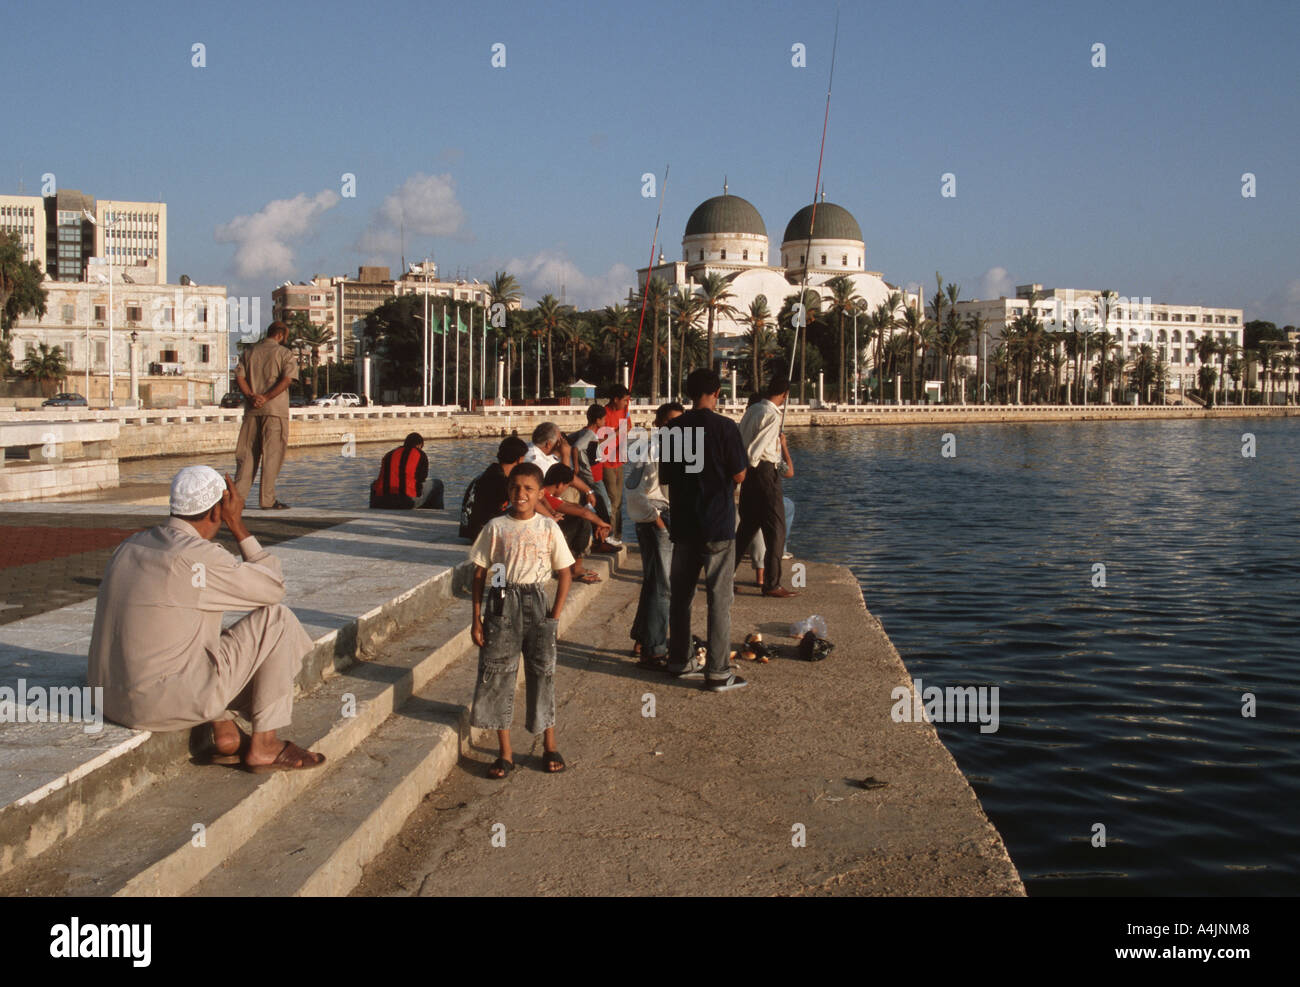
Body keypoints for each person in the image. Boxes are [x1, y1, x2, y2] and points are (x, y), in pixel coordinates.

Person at [87, 466, 324, 772]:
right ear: (216, 512)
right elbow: (273, 589)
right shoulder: (199, 556)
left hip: (106, 697)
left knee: (194, 626)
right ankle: (265, 745)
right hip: (159, 704)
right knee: (276, 621)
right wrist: (238, 525)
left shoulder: (130, 545)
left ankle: (223, 724)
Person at [469, 462, 574, 778]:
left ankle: (549, 744)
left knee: (543, 673)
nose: (521, 494)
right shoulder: (496, 527)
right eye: (515, 487)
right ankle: (505, 752)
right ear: (508, 490)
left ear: (540, 493)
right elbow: (482, 572)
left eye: (529, 488)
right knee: (498, 674)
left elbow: (565, 572)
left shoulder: (547, 528)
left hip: (538, 602)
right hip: (502, 601)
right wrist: (477, 619)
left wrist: (554, 616)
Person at [659, 368, 750, 692]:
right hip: (717, 526)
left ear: (688, 393)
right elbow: (740, 476)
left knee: (681, 597)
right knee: (719, 601)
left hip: (684, 527)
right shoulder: (726, 428)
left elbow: (666, 478)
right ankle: (717, 671)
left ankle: (679, 661)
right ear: (716, 393)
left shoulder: (671, 429)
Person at [625, 402, 683, 668]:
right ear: (659, 422)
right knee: (663, 587)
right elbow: (634, 491)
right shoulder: (649, 449)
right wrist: (658, 521)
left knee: (653, 582)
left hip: (663, 518)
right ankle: (654, 650)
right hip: (655, 519)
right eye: (670, 422)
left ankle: (643, 638)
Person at [734, 376, 798, 597]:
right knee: (776, 531)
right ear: (785, 394)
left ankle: (723, 575)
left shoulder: (752, 410)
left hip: (750, 475)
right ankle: (772, 584)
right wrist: (753, 469)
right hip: (763, 472)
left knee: (746, 530)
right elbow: (756, 449)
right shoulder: (771, 415)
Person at [233, 321, 297, 510]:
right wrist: (266, 397)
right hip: (275, 411)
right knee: (272, 455)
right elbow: (287, 380)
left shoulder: (249, 352)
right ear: (281, 335)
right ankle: (267, 500)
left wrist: (252, 396)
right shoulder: (284, 354)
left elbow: (239, 377)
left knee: (246, 455)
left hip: (252, 411)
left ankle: (237, 499)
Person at [540, 463, 609, 584]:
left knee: (580, 515)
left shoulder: (545, 492)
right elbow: (583, 513)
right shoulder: (546, 495)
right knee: (582, 522)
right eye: (566, 486)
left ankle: (573, 564)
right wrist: (603, 524)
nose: (566, 489)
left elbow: (574, 506)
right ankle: (575, 569)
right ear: (560, 484)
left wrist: (598, 522)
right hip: (545, 538)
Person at [460, 435, 528, 541]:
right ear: (519, 459)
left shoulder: (490, 473)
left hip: (471, 531)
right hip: (481, 533)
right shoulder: (499, 480)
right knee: (525, 505)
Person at [369, 432, 444, 510]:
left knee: (375, 483)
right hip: (406, 501)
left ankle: (373, 509)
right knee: (437, 484)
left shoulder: (389, 454)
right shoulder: (420, 454)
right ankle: (435, 513)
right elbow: (421, 479)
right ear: (419, 445)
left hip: (380, 502)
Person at [598, 384, 631, 545]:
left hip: (619, 461)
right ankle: (609, 535)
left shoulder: (624, 412)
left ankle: (617, 535)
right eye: (624, 400)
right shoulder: (603, 413)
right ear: (615, 399)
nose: (626, 403)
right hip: (606, 463)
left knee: (619, 502)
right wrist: (618, 432)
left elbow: (628, 428)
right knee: (613, 501)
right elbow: (600, 439)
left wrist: (625, 430)